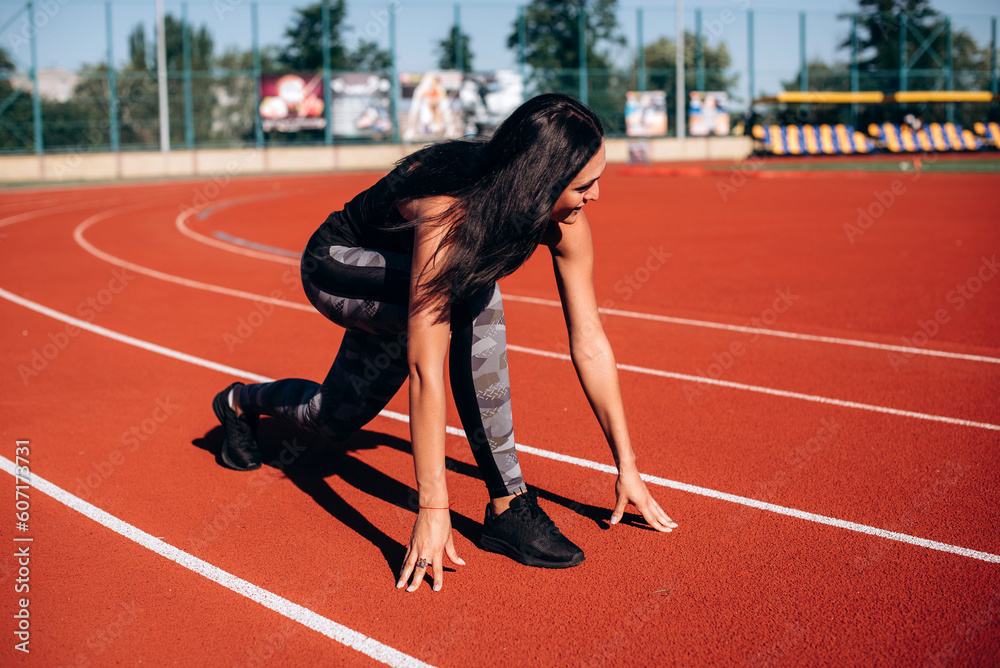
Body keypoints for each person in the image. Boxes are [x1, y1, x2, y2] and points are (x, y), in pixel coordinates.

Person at [211, 93, 677, 593]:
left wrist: (627, 466)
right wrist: (433, 507)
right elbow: (425, 370)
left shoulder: (565, 223)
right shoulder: (450, 212)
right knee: (475, 294)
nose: (597, 195)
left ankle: (238, 402)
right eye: (585, 184)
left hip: (422, 280)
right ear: (541, 181)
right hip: (340, 266)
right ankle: (509, 505)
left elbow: (589, 341)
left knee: (332, 418)